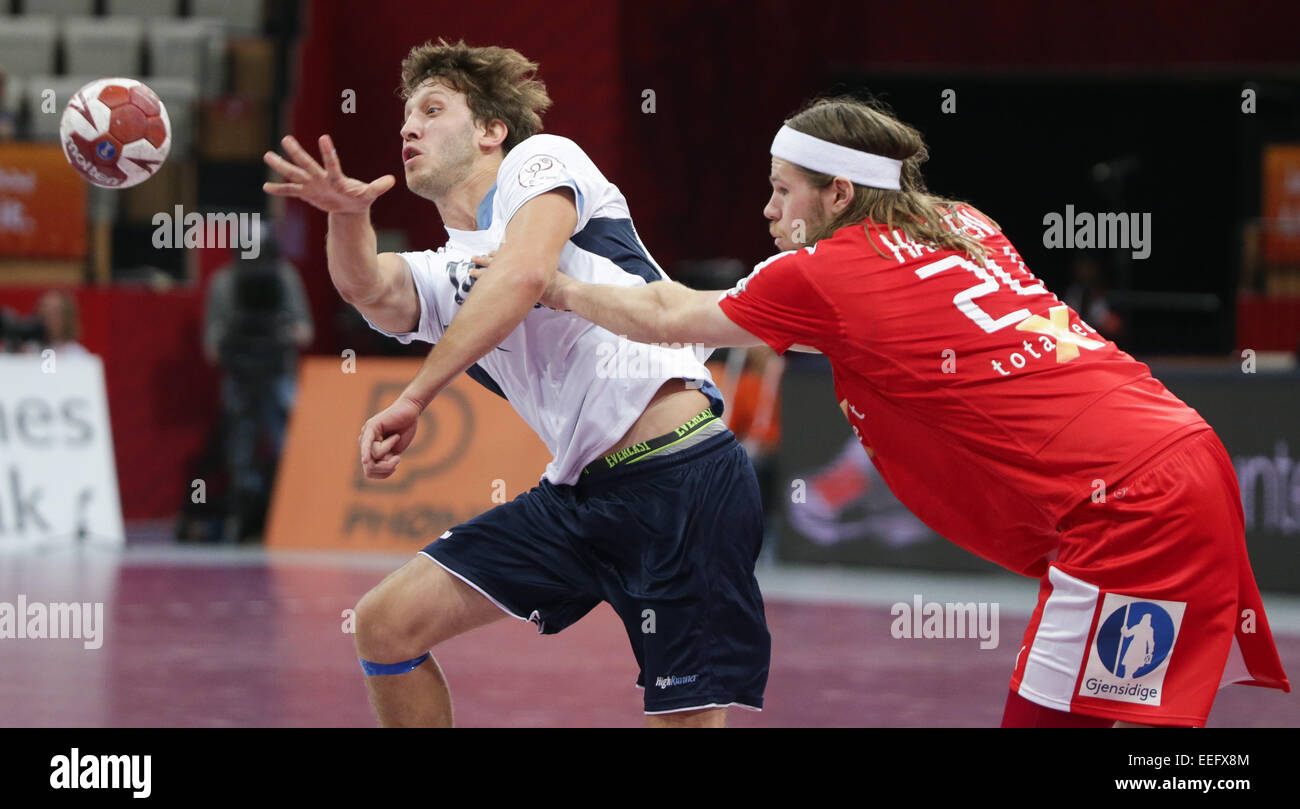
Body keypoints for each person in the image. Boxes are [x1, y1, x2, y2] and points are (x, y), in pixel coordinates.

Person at [534, 96, 1290, 727]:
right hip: (1181, 457)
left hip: (1126, 507)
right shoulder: (965, 221)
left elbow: (669, 311)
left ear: (839, 194)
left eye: (783, 188)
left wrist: (555, 287)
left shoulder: (821, 273)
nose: (767, 209)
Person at [262, 40, 769, 727]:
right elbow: (370, 291)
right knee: (384, 625)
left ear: (491, 130)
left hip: (680, 478)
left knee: (682, 718)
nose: (409, 127)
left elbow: (526, 274)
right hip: (579, 497)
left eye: (433, 109)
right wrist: (348, 218)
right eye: (405, 117)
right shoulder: (447, 272)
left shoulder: (542, 162)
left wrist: (414, 398)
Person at [203, 230, 314, 540]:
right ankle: (243, 512)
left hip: (278, 375)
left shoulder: (284, 277)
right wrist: (239, 343)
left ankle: (289, 512)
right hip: (240, 378)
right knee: (240, 446)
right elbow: (212, 347)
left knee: (285, 442)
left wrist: (275, 337)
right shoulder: (224, 282)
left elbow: (304, 331)